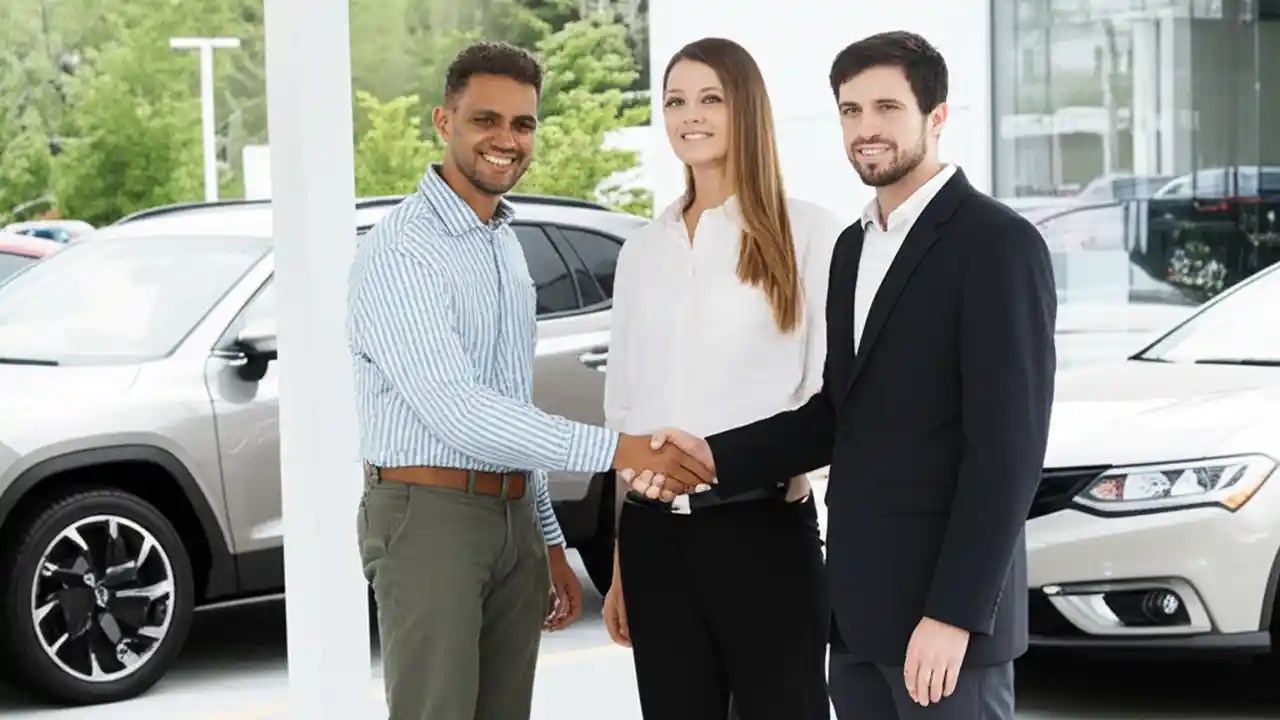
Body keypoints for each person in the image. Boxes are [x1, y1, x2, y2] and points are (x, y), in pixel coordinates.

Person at [630, 31, 1057, 720]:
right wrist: (716, 456)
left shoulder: (996, 244)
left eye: (887, 108)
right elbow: (837, 413)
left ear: (937, 116)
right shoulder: (855, 247)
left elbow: (1008, 455)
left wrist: (954, 615)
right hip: (856, 624)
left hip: (944, 632)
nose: (867, 129)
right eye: (851, 111)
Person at [345, 41, 714, 720]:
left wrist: (545, 534)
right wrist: (620, 450)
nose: (506, 140)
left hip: (510, 515)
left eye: (523, 124)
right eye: (487, 120)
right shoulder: (401, 250)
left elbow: (510, 401)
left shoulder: (503, 243)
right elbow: (455, 409)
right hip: (429, 518)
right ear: (443, 121)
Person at [601, 37, 843, 720]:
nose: (690, 115)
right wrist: (623, 562)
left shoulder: (811, 235)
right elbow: (624, 409)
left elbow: (831, 401)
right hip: (654, 543)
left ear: (747, 109)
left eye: (711, 98)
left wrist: (733, 461)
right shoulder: (642, 251)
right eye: (675, 100)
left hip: (761, 533)